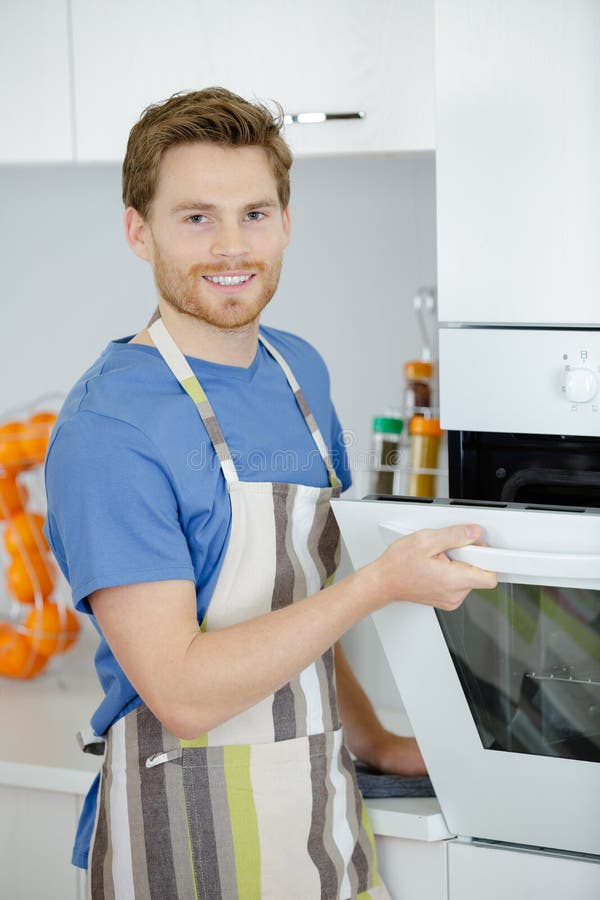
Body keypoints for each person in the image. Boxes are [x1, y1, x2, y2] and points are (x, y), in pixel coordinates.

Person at [44, 86, 497, 899]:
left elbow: (304, 600)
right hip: (180, 840)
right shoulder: (109, 427)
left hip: (319, 824)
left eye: (254, 213)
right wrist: (380, 586)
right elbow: (181, 691)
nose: (231, 245)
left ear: (287, 222)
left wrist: (377, 740)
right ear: (137, 230)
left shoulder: (299, 373)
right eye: (196, 217)